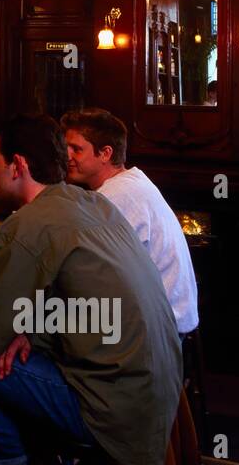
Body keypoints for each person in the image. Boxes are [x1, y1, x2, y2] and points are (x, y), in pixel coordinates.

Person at [0, 115, 182, 465]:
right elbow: (91, 306)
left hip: (110, 409)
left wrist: (12, 329)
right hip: (155, 395)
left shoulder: (27, 223)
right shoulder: (93, 202)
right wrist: (31, 329)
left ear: (19, 165)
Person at [62, 107, 198, 337]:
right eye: (66, 147)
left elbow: (83, 269)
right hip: (172, 315)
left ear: (105, 153)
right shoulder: (132, 181)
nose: (67, 156)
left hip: (162, 329)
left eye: (76, 149)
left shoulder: (114, 197)